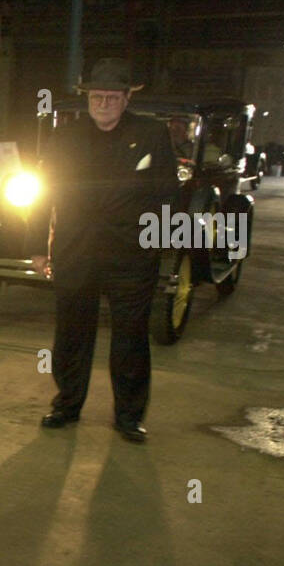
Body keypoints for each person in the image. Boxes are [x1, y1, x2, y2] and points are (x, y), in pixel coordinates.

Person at [39, 58, 177, 443]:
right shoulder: (64, 137)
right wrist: (36, 246)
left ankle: (129, 417)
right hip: (76, 251)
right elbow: (44, 192)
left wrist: (159, 243)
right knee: (71, 334)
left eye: (112, 97)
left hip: (132, 256)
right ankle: (66, 405)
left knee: (131, 338)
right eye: (97, 96)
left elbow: (167, 192)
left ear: (126, 98)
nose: (103, 104)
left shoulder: (151, 134)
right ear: (87, 98)